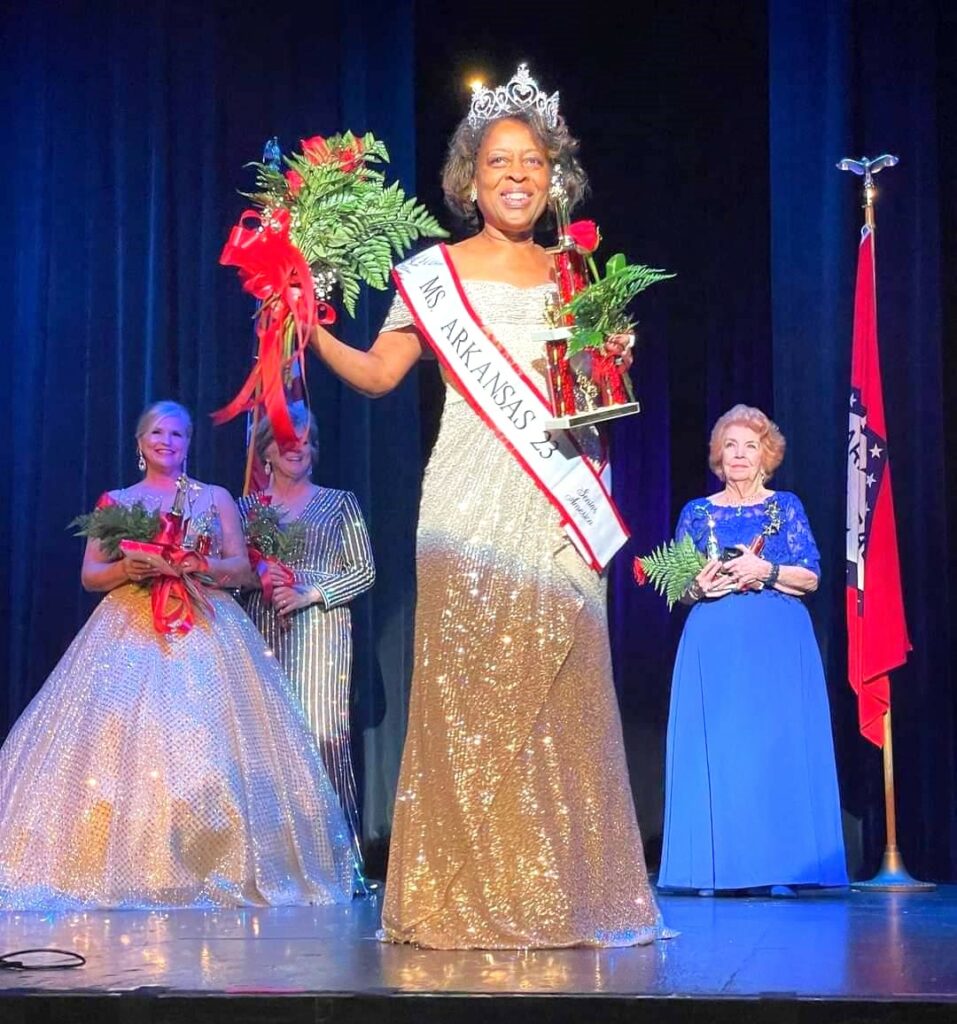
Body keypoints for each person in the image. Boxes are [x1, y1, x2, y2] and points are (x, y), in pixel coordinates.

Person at [308, 66, 669, 948]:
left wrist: (611, 354)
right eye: (500, 162)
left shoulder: (577, 271)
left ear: (555, 181)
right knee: (466, 701)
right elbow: (380, 375)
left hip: (556, 504)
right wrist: (306, 326)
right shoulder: (431, 276)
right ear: (469, 179)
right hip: (465, 504)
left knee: (561, 691)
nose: (517, 176)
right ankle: (457, 897)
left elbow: (595, 391)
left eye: (533, 164)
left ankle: (561, 896)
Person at [0, 401, 353, 910]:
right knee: (121, 740)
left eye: (179, 434)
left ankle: (210, 863)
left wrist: (192, 563)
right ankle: (128, 864)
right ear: (140, 443)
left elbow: (240, 567)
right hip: (128, 626)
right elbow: (91, 576)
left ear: (189, 444)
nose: (168, 441)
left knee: (205, 742)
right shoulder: (117, 502)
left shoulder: (213, 498)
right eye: (158, 433)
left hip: (204, 623)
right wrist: (134, 569)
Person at [658, 403, 848, 895]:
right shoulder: (697, 513)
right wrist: (698, 588)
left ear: (767, 457)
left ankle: (780, 868)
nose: (739, 455)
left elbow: (811, 575)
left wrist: (765, 572)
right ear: (718, 456)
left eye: (750, 446)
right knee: (721, 746)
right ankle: (712, 871)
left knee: (772, 748)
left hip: (777, 641)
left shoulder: (785, 508)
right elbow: (677, 587)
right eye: (730, 446)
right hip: (714, 640)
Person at [238, 409, 375, 877]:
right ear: (266, 451)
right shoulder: (245, 510)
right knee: (265, 743)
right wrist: (257, 576)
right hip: (261, 627)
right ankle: (275, 866)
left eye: (305, 438)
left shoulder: (339, 503)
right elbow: (227, 576)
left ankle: (338, 865)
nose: (296, 445)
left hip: (319, 626)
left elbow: (364, 570)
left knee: (321, 737)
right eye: (285, 438)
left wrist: (310, 593)